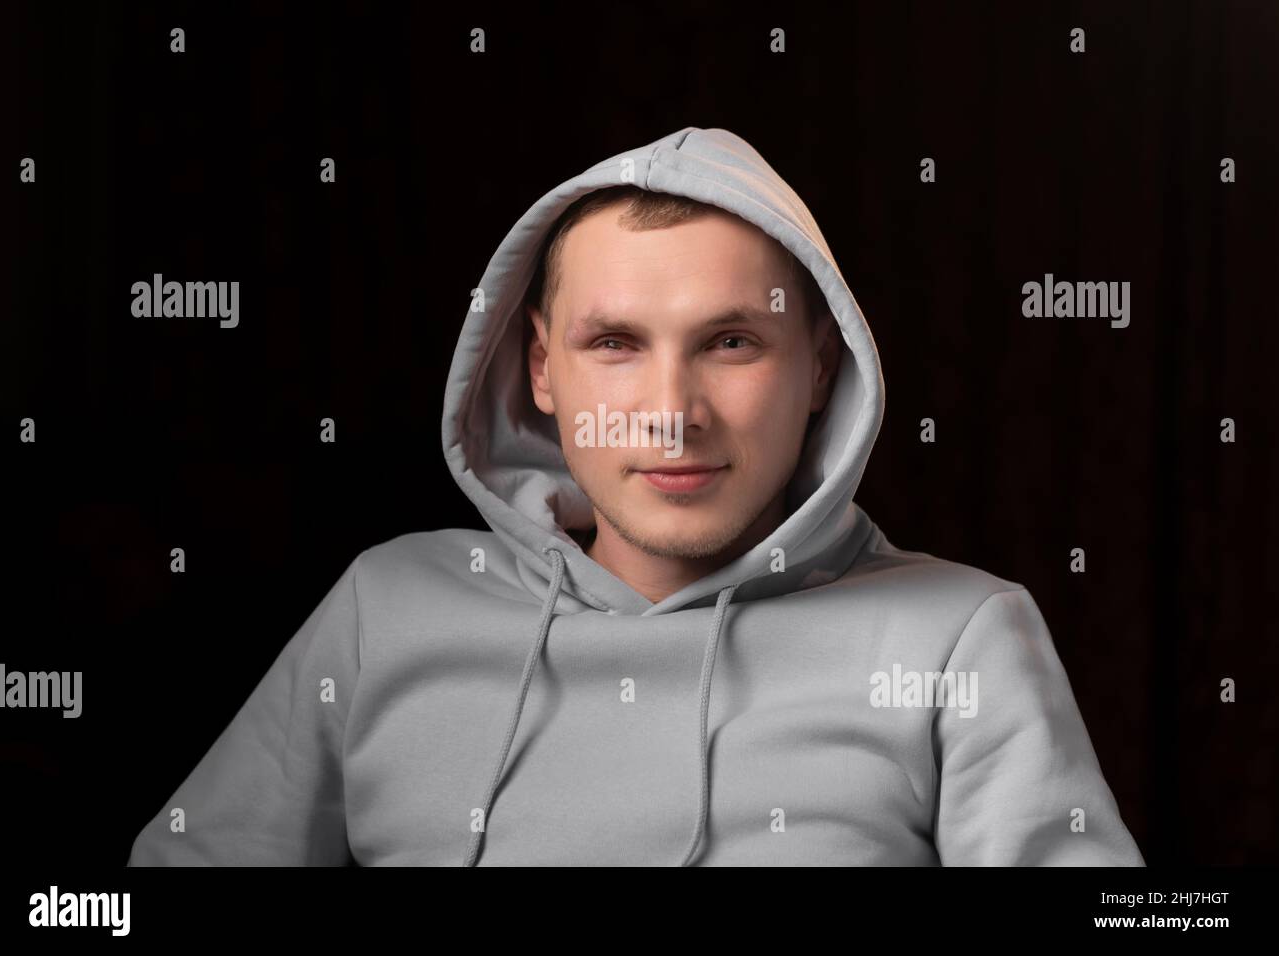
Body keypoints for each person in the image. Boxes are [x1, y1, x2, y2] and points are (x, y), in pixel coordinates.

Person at [127, 126, 1145, 866]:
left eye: (731, 341)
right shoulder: (383, 605)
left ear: (820, 371)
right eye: (614, 344)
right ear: (538, 368)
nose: (670, 413)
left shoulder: (957, 636)